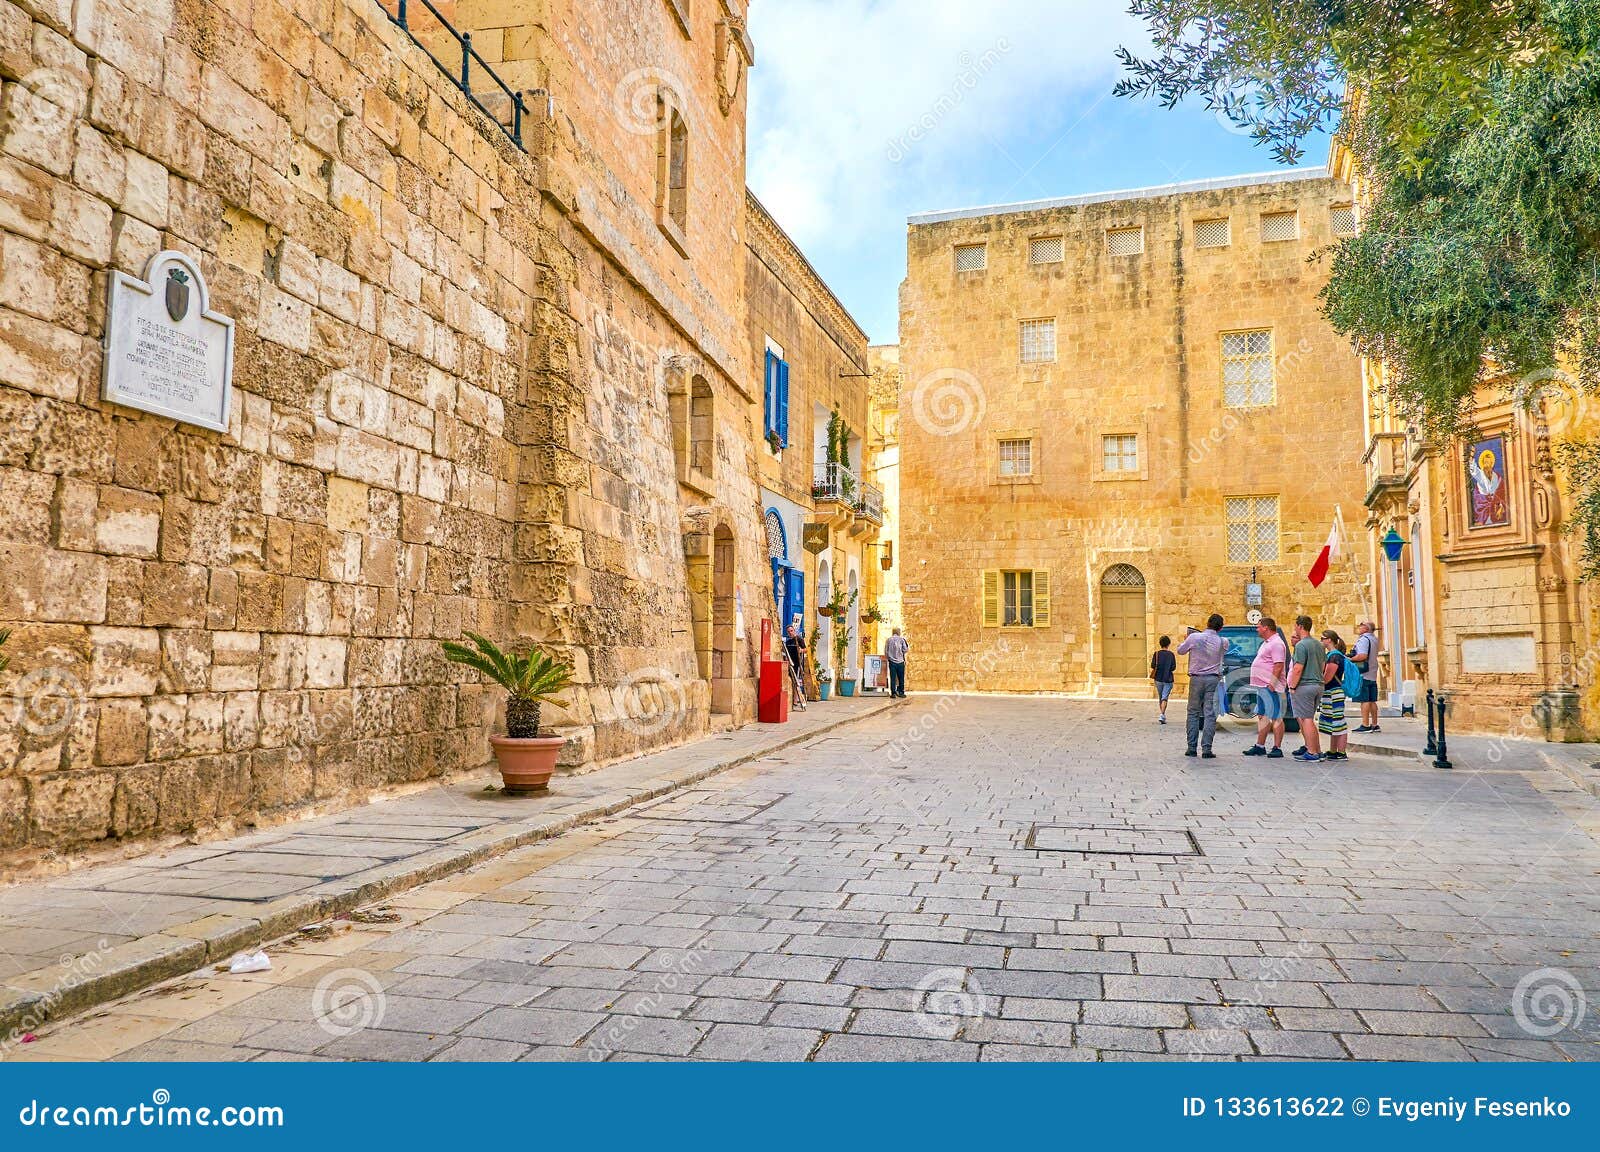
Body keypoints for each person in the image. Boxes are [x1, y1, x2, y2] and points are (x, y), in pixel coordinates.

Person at [1175, 614, 1228, 757]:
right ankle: (1206, 749)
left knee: (1193, 712)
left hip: (1196, 679)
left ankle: (1191, 748)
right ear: (1220, 628)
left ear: (1207, 623)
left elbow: (1180, 651)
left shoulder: (1194, 638)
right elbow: (1223, 652)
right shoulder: (1223, 641)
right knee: (1210, 714)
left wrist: (1186, 641)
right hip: (1213, 679)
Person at [1243, 616, 1287, 758]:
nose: (1257, 629)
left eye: (1258, 626)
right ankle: (1260, 746)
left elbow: (1278, 665)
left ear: (1266, 628)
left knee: (1276, 716)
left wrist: (1272, 684)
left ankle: (1277, 747)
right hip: (1262, 686)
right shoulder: (1266, 643)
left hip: (1270, 686)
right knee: (1262, 715)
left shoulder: (1276, 644)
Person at [1287, 615, 1325, 762]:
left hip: (1304, 685)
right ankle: (1317, 749)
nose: (1295, 629)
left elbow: (1298, 668)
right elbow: (1322, 666)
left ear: (1300, 626)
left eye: (1296, 626)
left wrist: (1292, 686)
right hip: (1318, 684)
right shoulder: (1319, 645)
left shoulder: (1301, 646)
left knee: (1306, 719)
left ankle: (1312, 752)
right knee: (1310, 719)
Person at [1318, 630, 1350, 760]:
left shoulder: (1334, 657)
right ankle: (1333, 751)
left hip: (1333, 692)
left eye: (1322, 638)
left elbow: (1327, 677)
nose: (1321, 641)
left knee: (1338, 722)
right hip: (1332, 692)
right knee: (1334, 722)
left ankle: (1341, 752)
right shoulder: (1333, 655)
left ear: (1329, 640)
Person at [1350, 620, 1381, 732]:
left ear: (1367, 628)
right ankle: (1374, 724)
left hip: (1363, 673)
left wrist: (1350, 659)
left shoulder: (1363, 639)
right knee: (1372, 700)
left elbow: (1362, 656)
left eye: (1361, 625)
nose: (1359, 627)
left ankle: (1365, 724)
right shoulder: (1374, 639)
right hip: (1372, 672)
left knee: (1365, 700)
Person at [783, 615, 809, 710]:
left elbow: (806, 649)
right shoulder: (788, 642)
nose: (790, 633)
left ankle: (796, 700)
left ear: (794, 630)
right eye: (788, 631)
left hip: (797, 663)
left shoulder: (799, 639)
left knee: (796, 682)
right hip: (790, 663)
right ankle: (791, 699)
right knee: (791, 680)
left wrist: (801, 650)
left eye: (791, 631)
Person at [1149, 635, 1177, 724]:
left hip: (1158, 678)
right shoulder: (1171, 655)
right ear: (1168, 644)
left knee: (1161, 697)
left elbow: (1153, 665)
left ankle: (1162, 715)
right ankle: (1162, 714)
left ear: (1160, 644)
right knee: (1165, 697)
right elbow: (1173, 667)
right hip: (1168, 679)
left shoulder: (1156, 654)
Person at [885, 627, 909, 698]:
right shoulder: (902, 639)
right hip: (900, 661)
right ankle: (901, 692)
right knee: (901, 678)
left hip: (892, 662)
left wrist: (889, 658)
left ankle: (893, 693)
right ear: (899, 632)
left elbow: (886, 651)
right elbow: (905, 650)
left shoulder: (888, 640)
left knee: (893, 678)